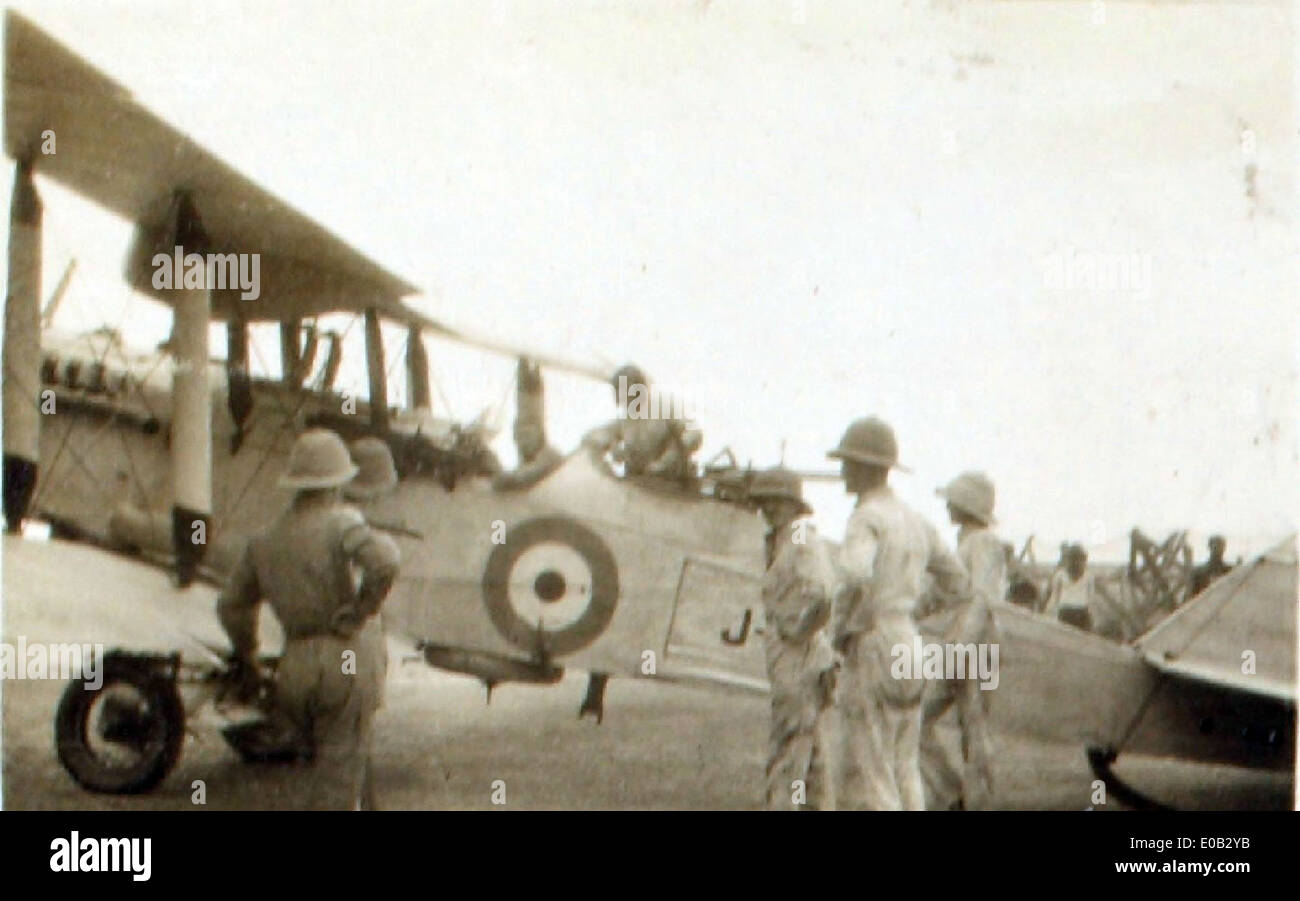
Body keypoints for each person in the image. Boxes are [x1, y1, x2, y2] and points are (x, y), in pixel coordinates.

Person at [217, 428, 401, 810]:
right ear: (337, 483)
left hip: (296, 665)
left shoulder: (264, 540)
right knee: (336, 783)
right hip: (344, 661)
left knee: (341, 764)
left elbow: (231, 605)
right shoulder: (342, 523)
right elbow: (385, 561)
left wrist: (248, 653)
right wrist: (362, 609)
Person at [827, 416, 975, 810]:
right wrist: (914, 607)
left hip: (874, 642)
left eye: (847, 462)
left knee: (871, 771)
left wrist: (838, 632)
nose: (842, 471)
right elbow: (959, 582)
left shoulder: (866, 518)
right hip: (909, 641)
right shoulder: (915, 520)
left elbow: (855, 575)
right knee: (905, 766)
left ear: (863, 467)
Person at [749, 467, 838, 810]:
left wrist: (799, 630)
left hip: (799, 656)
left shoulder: (800, 536)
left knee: (788, 748)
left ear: (792, 504)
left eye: (775, 501)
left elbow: (823, 591)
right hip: (799, 655)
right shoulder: (782, 538)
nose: (767, 508)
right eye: (764, 501)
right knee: (811, 755)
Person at [919, 471, 1004, 811]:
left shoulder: (985, 543)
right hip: (957, 644)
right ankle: (952, 795)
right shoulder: (964, 545)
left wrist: (964, 644)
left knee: (975, 731)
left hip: (977, 646)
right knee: (916, 720)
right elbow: (940, 594)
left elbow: (984, 598)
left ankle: (977, 803)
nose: (947, 506)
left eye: (952, 500)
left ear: (966, 505)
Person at [582, 364, 700, 483]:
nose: (621, 399)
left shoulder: (665, 407)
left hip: (672, 485)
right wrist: (613, 446)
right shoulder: (626, 419)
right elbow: (593, 435)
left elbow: (694, 432)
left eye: (625, 391)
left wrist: (673, 454)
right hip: (640, 485)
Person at [492, 416, 563, 491]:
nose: (523, 441)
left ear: (539, 434)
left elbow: (531, 474)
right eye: (519, 436)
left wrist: (511, 478)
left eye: (527, 434)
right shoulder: (522, 466)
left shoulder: (550, 454)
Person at [1043, 543, 1094, 630]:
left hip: (1081, 612)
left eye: (1079, 559)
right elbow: (1055, 596)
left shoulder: (1088, 576)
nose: (1076, 562)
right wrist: (1050, 612)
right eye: (1074, 558)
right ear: (1069, 559)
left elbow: (1090, 598)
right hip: (1066, 611)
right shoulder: (1060, 575)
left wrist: (1090, 614)